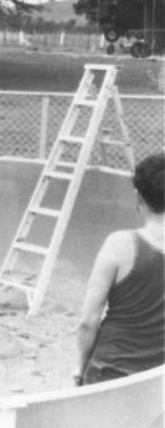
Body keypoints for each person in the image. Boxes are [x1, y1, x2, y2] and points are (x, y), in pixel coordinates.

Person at [74, 152, 164, 386]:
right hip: (158, 378)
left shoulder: (119, 244)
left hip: (111, 371)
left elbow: (88, 321)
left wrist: (81, 367)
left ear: (139, 198)